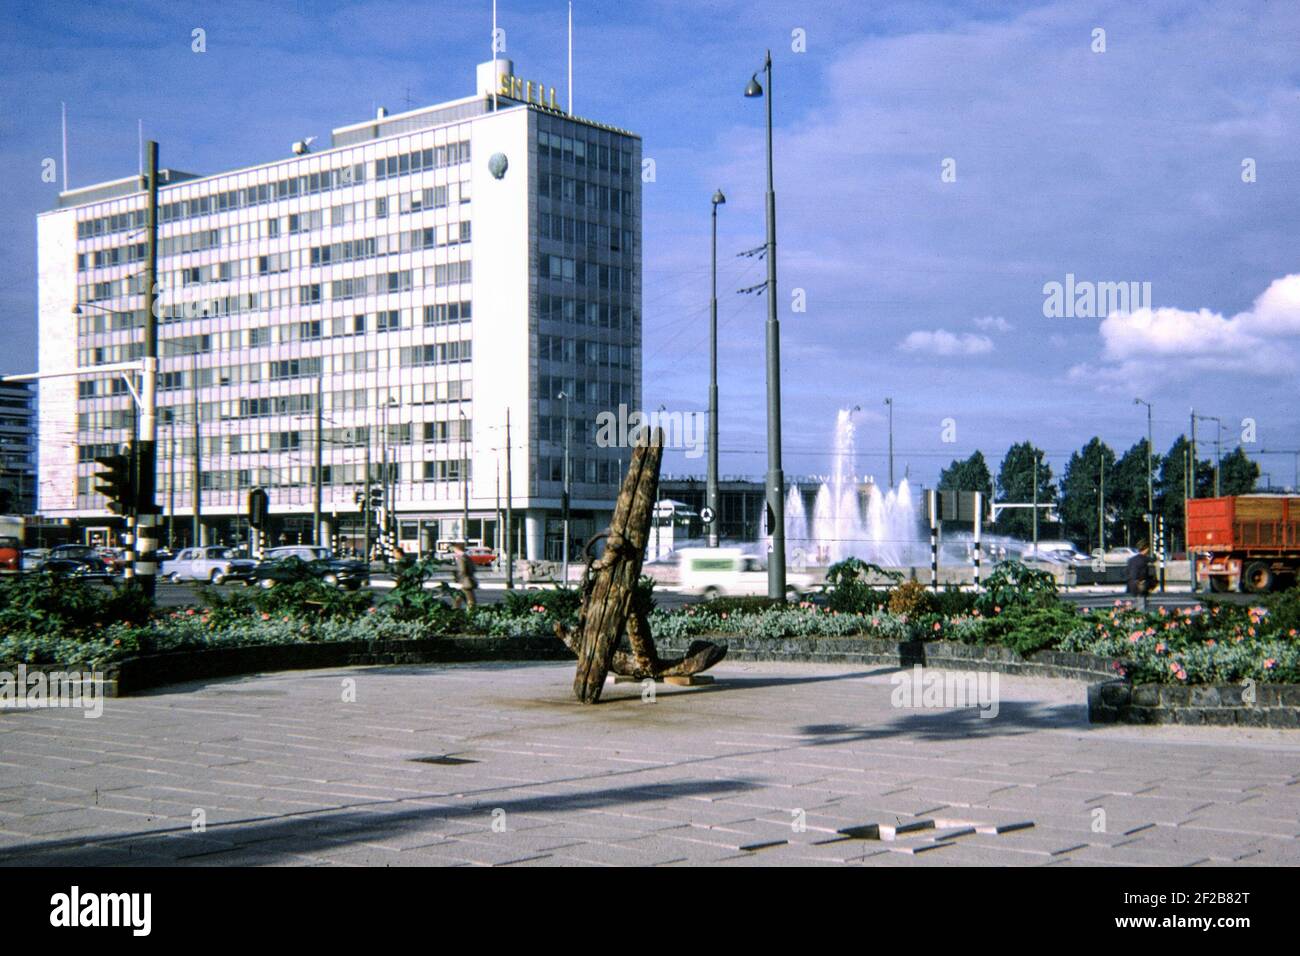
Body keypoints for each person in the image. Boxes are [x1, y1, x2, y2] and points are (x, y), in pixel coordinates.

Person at [1126, 539, 1157, 610]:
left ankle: (1130, 610)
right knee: (1141, 605)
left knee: (1139, 603)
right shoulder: (1144, 559)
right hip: (1140, 584)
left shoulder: (1131, 560)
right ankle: (1131, 612)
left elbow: (1127, 572)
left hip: (1131, 585)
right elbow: (1153, 560)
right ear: (1146, 549)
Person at [451, 542, 477, 609]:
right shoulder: (467, 557)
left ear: (457, 549)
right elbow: (473, 569)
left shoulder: (461, 558)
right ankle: (456, 611)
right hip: (468, 581)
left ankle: (469, 613)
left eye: (454, 549)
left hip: (465, 582)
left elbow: (462, 570)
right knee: (458, 598)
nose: (453, 550)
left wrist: (458, 579)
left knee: (470, 601)